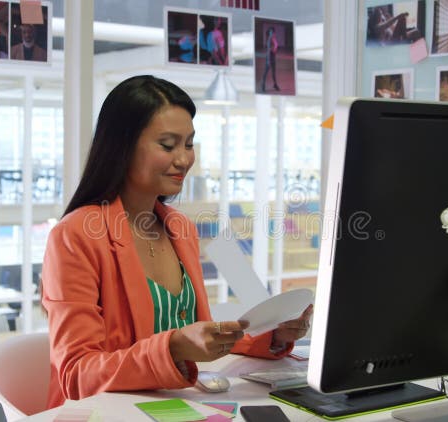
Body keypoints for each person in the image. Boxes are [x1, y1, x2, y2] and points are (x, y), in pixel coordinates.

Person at [41, 75, 313, 408]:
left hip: (174, 406)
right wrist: (172, 348)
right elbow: (75, 375)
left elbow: (195, 333)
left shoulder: (180, 228)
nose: (184, 159)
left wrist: (274, 336)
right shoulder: (75, 236)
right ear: (122, 148)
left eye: (189, 144)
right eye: (168, 145)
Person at [260, 27, 280, 92]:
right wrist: (268, 61)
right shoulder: (269, 39)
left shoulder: (274, 38)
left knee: (273, 72)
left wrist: (275, 51)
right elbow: (268, 51)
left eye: (272, 32)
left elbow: (275, 48)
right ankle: (262, 85)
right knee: (265, 72)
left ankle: (275, 84)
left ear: (274, 32)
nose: (271, 33)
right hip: (269, 57)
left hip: (273, 57)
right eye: (270, 32)